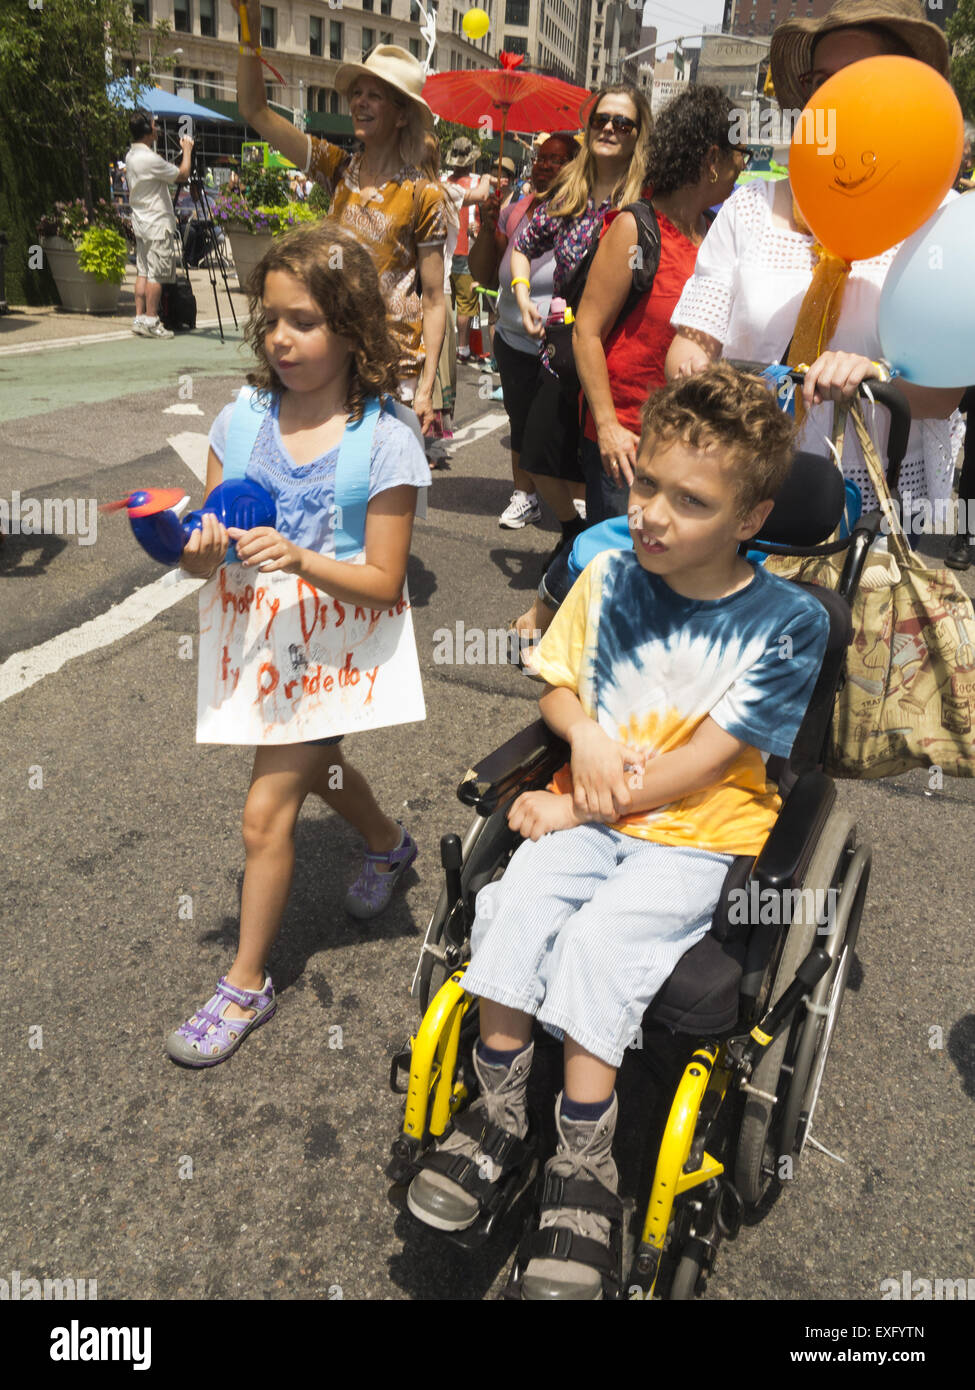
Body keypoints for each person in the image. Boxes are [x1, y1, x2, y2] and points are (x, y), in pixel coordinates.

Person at [405, 365, 830, 1300]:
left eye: (690, 501)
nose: (652, 515)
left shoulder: (787, 623)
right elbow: (556, 684)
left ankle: (586, 1166)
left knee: (599, 941)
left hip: (696, 833)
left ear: (749, 519)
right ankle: (503, 1108)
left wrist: (581, 802)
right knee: (512, 905)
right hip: (591, 806)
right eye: (645, 486)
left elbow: (705, 765)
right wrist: (585, 733)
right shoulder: (605, 576)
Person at [166, 224, 430, 1067]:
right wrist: (194, 549)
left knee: (264, 812)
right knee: (316, 773)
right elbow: (209, 549)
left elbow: (386, 581)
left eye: (305, 321)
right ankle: (389, 844)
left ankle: (246, 984)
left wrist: (302, 556)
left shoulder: (384, 439)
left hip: (332, 650)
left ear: (354, 328)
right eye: (270, 319)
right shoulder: (238, 422)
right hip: (259, 645)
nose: (281, 338)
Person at [666, 0, 963, 515]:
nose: (833, 95)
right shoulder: (749, 207)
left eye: (856, 76)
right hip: (740, 490)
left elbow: (943, 396)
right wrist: (695, 372)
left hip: (875, 509)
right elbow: (690, 344)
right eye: (820, 79)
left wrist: (872, 376)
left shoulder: (943, 222)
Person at [512, 86, 745, 641]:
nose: (743, 167)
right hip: (624, 434)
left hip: (683, 436)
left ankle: (601, 646)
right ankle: (549, 629)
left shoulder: (715, 236)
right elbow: (587, 330)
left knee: (657, 557)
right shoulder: (635, 228)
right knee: (615, 549)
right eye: (741, 154)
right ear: (711, 156)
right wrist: (611, 426)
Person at [232, 1, 447, 434]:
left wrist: (426, 389)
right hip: (336, 355)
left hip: (394, 368)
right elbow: (255, 112)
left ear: (402, 113)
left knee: (386, 491)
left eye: (375, 95)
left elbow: (433, 298)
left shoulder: (426, 195)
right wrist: (249, 38)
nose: (359, 103)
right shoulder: (337, 168)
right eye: (357, 93)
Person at [509, 84, 653, 567]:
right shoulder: (568, 193)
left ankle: (598, 558)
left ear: (638, 135)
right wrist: (524, 295)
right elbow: (523, 246)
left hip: (621, 357)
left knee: (606, 471)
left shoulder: (648, 200)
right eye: (601, 120)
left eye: (623, 123)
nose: (609, 128)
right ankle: (573, 533)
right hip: (567, 350)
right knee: (537, 457)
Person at [468, 133, 578, 529]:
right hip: (512, 338)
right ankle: (524, 495)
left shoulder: (588, 216)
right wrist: (486, 226)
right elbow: (484, 273)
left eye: (557, 159)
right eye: (541, 158)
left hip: (560, 343)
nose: (544, 165)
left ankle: (573, 500)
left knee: (558, 423)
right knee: (519, 417)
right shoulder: (514, 213)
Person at [123, 110, 193, 340]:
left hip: (141, 221)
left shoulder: (131, 156)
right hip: (157, 221)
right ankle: (153, 319)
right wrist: (187, 150)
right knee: (157, 274)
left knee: (143, 270)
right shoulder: (149, 159)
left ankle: (140, 316)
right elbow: (182, 174)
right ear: (145, 130)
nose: (157, 128)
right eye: (153, 125)